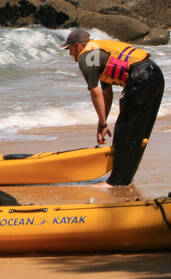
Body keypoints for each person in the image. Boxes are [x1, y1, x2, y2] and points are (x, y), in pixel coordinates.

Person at [63, 28, 164, 186]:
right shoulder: (97, 53)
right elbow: (106, 92)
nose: (70, 54)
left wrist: (104, 123)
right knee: (137, 133)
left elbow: (95, 92)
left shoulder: (86, 57)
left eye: (69, 49)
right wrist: (101, 124)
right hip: (155, 75)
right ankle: (124, 179)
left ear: (77, 46)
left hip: (141, 78)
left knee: (125, 131)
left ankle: (116, 182)